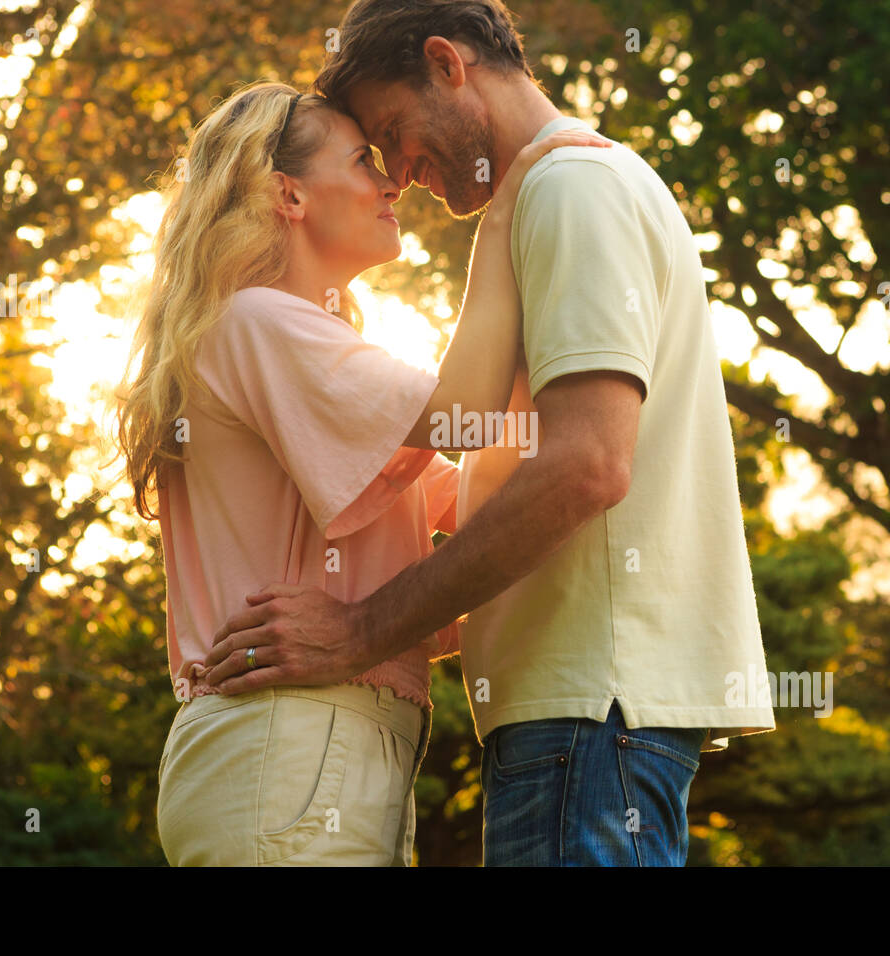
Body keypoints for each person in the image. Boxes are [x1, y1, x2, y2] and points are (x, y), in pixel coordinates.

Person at [202, 0, 778, 867]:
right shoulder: (562, 192)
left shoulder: (569, 187)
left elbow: (586, 466)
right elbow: (481, 460)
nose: (399, 173)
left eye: (390, 132)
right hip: (585, 712)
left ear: (447, 63)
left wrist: (363, 631)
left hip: (590, 708)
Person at [112, 78, 609, 865]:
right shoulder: (258, 320)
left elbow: (471, 498)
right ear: (288, 195)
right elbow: (461, 415)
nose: (390, 183)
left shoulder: (294, 348)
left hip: (315, 750)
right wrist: (507, 212)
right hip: (291, 743)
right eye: (360, 161)